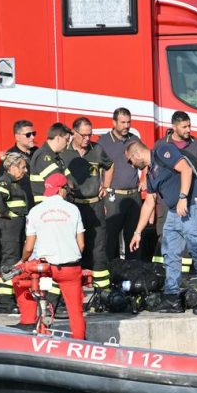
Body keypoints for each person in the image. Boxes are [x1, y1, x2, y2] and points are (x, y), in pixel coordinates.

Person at [126, 136, 197, 312]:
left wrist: (182, 198)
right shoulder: (149, 173)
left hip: (191, 205)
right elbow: (149, 203)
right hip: (174, 212)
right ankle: (172, 297)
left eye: (130, 160)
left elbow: (185, 170)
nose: (131, 164)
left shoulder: (163, 151)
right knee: (170, 253)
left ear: (137, 154)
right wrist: (137, 232)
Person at [14, 172, 86, 340]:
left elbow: (29, 247)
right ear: (61, 190)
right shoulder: (73, 209)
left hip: (44, 268)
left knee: (17, 278)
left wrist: (23, 261)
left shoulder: (35, 211)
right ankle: (80, 344)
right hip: (70, 267)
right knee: (76, 311)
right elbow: (81, 244)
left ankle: (28, 322)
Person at [60, 117, 113, 308]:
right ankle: (73, 296)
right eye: (83, 135)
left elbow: (110, 165)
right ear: (74, 133)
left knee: (99, 249)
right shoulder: (64, 153)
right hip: (73, 206)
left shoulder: (97, 149)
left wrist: (105, 185)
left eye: (90, 134)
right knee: (73, 250)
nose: (87, 138)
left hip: (95, 205)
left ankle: (102, 295)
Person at [150, 111, 197, 275]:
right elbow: (154, 171)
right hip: (167, 201)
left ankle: (185, 275)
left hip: (190, 201)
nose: (188, 129)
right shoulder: (161, 145)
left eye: (189, 125)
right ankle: (161, 273)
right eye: (184, 127)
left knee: (189, 237)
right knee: (165, 237)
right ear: (174, 127)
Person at [98, 107, 144, 261]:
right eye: (123, 122)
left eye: (129, 122)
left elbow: (148, 160)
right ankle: (112, 271)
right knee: (110, 238)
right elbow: (97, 168)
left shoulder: (134, 139)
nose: (126, 126)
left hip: (133, 196)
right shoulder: (103, 141)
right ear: (114, 122)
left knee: (134, 237)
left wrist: (144, 179)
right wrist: (102, 194)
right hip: (113, 197)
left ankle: (134, 271)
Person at [0, 152, 30, 314]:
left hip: (16, 225)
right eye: (22, 167)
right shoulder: (5, 180)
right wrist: (7, 213)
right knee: (10, 261)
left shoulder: (14, 182)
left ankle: (12, 298)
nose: (25, 170)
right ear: (12, 167)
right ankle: (5, 302)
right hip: (10, 227)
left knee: (16, 261)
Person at [28, 122, 72, 205]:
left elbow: (72, 181)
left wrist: (68, 186)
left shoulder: (56, 157)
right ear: (58, 138)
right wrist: (68, 187)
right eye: (66, 140)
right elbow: (58, 181)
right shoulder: (43, 156)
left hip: (54, 205)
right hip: (47, 207)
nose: (68, 144)